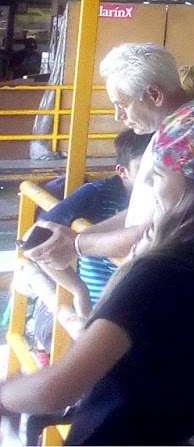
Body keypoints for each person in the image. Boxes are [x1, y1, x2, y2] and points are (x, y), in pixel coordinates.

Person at [28, 43, 194, 447]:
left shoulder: (159, 271)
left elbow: (153, 227)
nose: (119, 114)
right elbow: (144, 216)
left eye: (121, 102)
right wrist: (82, 239)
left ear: (153, 94)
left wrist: (79, 246)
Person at [16, 129, 147, 348]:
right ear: (122, 171)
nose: (151, 179)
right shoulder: (97, 193)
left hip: (137, 306)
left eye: (159, 171)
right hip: (100, 306)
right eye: (145, 171)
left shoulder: (165, 197)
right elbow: (35, 240)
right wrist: (78, 291)